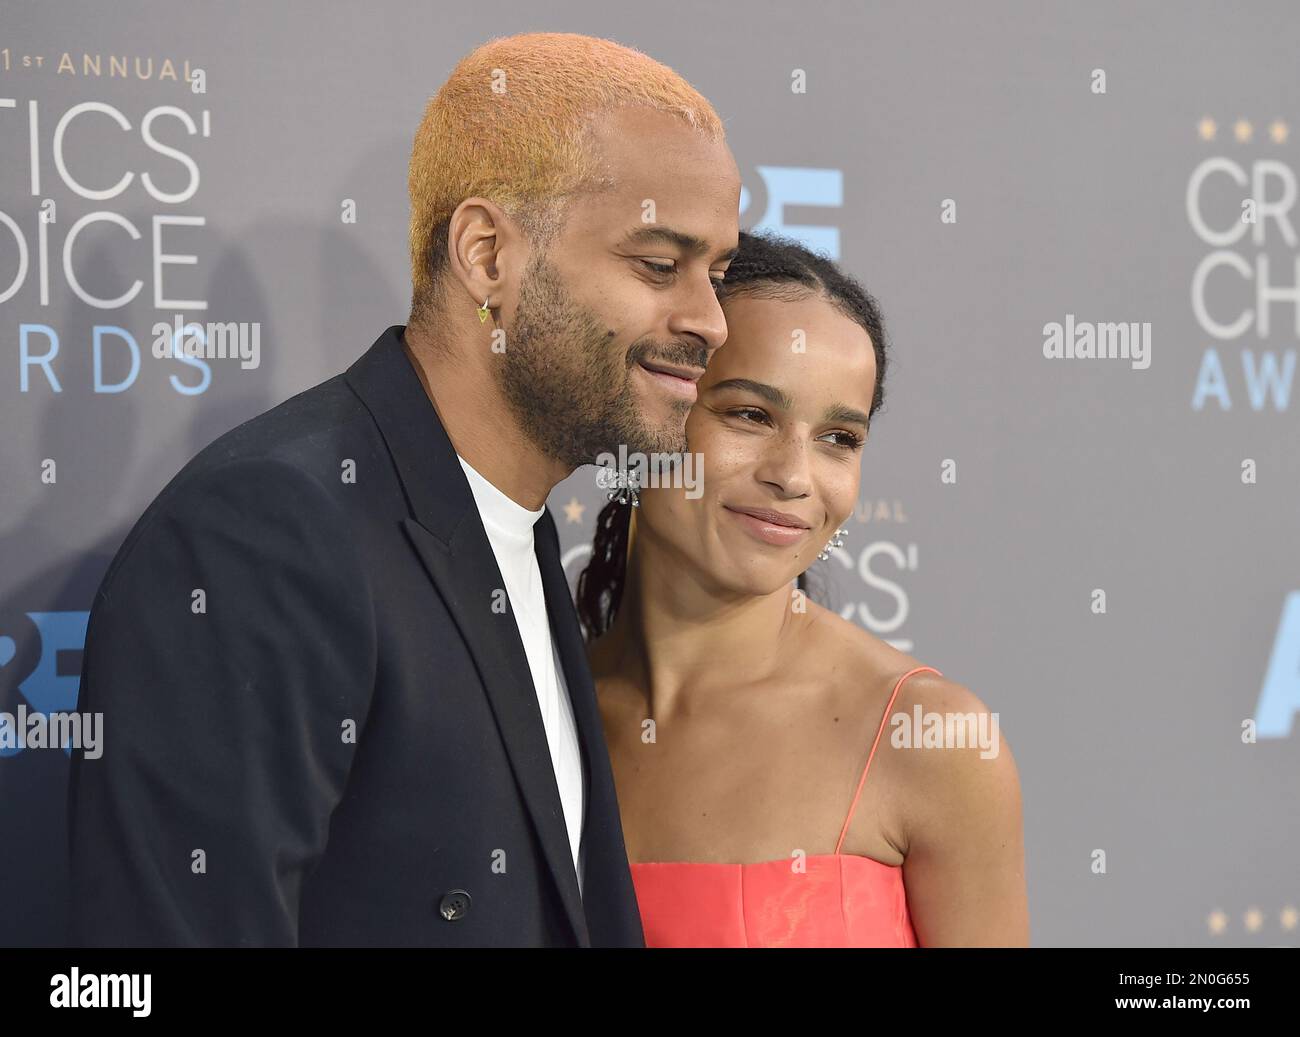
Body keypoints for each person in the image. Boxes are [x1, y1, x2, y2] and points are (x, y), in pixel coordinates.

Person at [66, 32, 740, 947]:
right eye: (660, 264)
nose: (709, 320)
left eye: (720, 273)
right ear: (486, 255)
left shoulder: (518, 527)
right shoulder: (266, 535)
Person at [577, 230, 1029, 947]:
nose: (793, 476)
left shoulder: (935, 743)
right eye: (751, 415)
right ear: (643, 415)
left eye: (839, 439)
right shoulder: (536, 724)